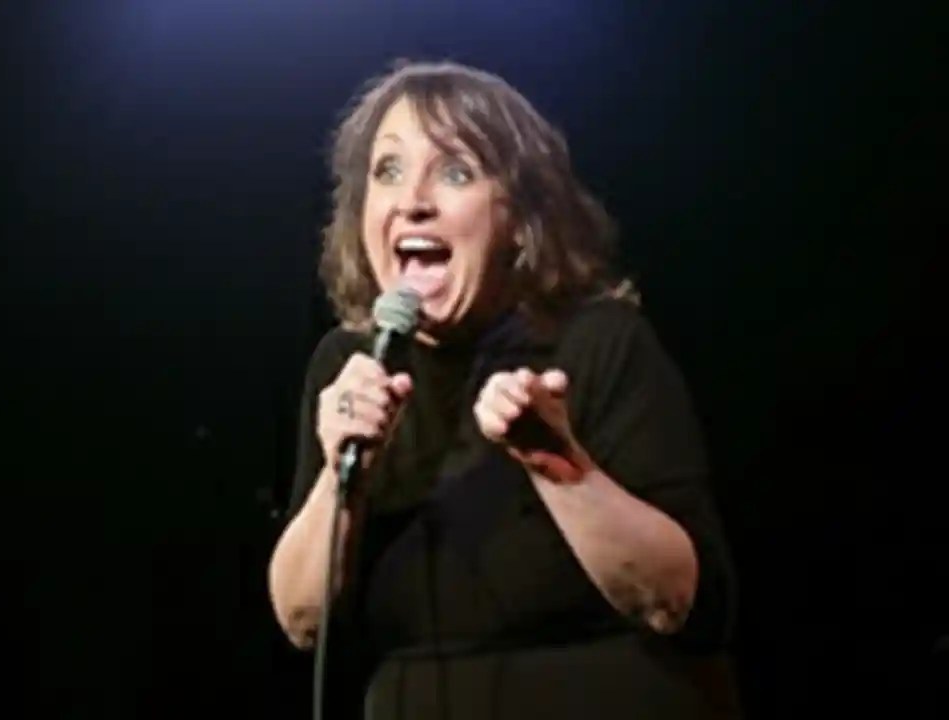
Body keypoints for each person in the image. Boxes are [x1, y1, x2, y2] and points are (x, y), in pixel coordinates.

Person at [267, 59, 741, 719]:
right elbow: (300, 620)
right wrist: (343, 475)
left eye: (456, 171)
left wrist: (560, 467)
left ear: (519, 218)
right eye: (389, 171)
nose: (412, 200)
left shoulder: (596, 344)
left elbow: (680, 601)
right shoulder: (349, 365)